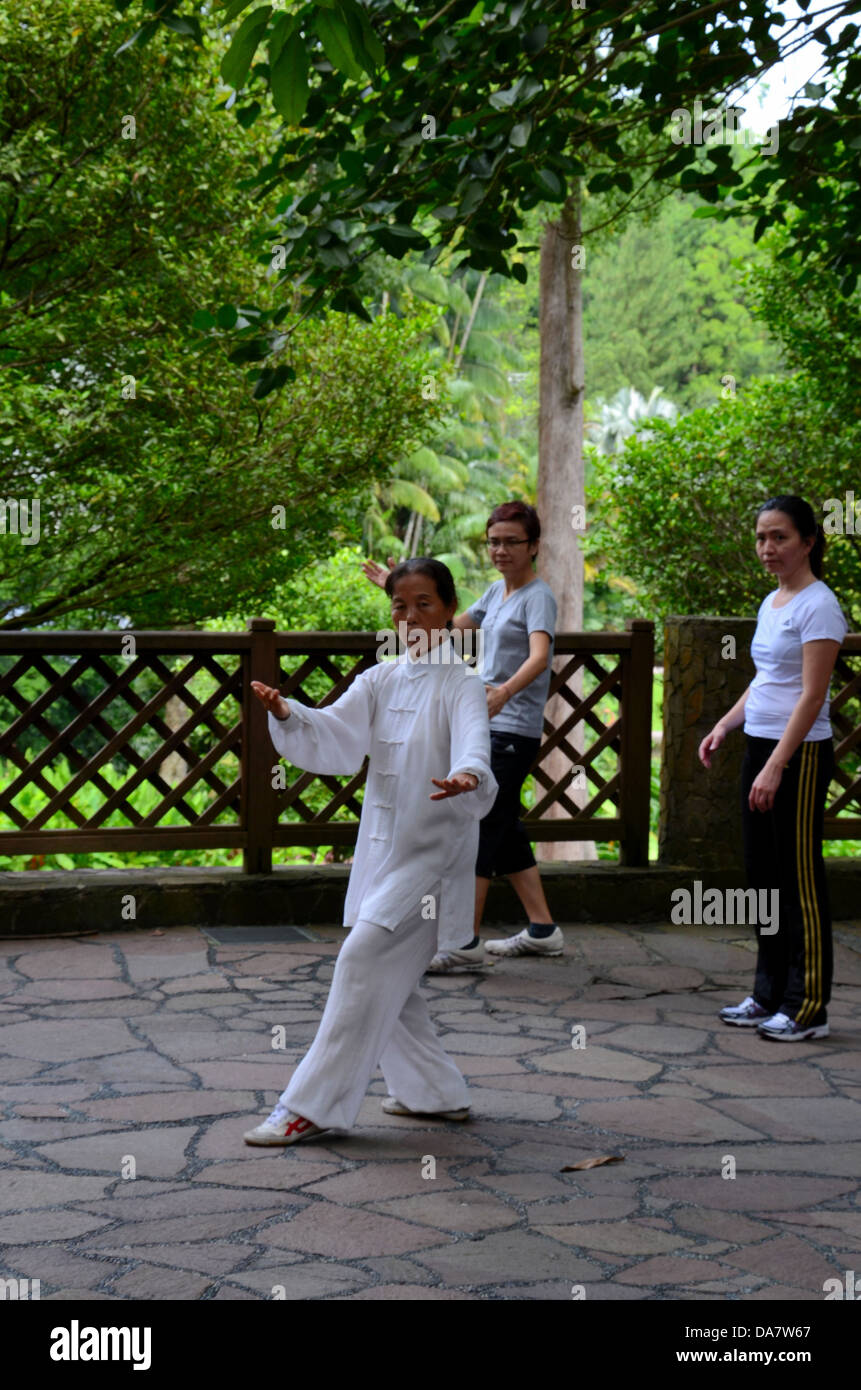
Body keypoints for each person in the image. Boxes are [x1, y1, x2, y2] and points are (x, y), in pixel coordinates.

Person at [243, 557, 498, 1145]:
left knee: (361, 961)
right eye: (399, 606)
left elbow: (474, 746)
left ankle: (312, 1107)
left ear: (450, 610)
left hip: (432, 862)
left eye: (424, 605)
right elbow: (338, 736)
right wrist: (289, 712)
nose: (410, 617)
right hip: (383, 855)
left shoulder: (460, 682)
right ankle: (435, 1094)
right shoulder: (380, 679)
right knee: (393, 983)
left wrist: (467, 776)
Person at [362, 500, 562, 971]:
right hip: (485, 721)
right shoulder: (496, 594)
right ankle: (543, 929)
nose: (501, 550)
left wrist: (504, 693)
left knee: (478, 826)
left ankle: (462, 941)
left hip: (511, 726)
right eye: (494, 541)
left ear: (533, 546)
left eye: (512, 542)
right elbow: (447, 629)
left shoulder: (538, 597)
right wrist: (399, 592)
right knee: (503, 824)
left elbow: (540, 657)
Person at [698, 495, 848, 1042]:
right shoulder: (774, 602)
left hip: (800, 755)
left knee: (798, 878)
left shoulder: (819, 605)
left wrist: (778, 765)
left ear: (809, 541)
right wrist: (724, 725)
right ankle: (767, 994)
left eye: (780, 537)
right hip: (763, 747)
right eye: (762, 537)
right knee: (762, 874)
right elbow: (766, 682)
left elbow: (811, 696)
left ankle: (808, 1004)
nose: (768, 548)